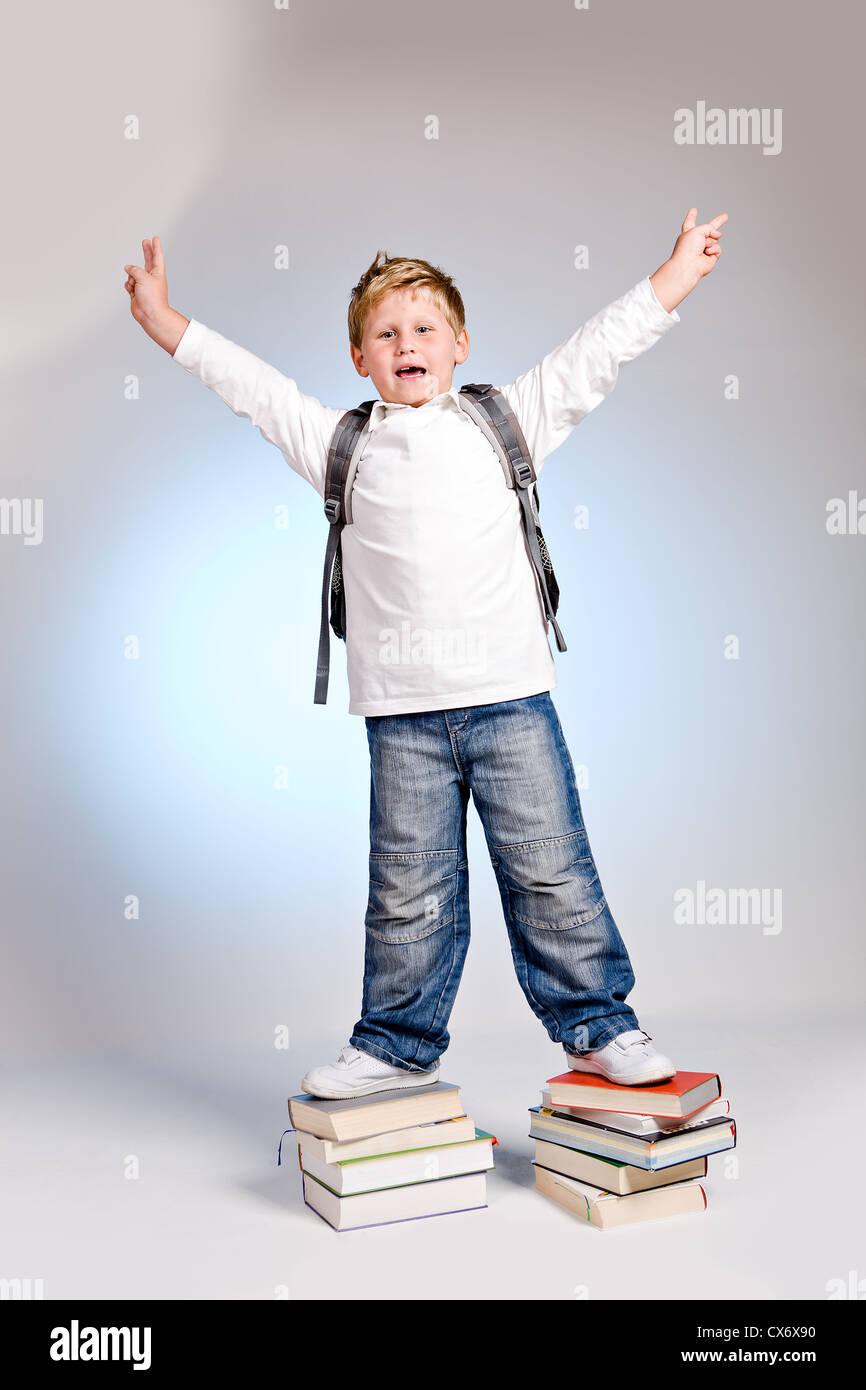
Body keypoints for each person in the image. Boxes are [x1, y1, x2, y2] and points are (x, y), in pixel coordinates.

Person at [123, 207, 727, 1100]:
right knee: (408, 894)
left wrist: (676, 274)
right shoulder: (339, 441)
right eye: (385, 333)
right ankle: (397, 1041)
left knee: (551, 869)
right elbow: (249, 385)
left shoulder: (507, 418)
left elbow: (598, 351)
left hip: (511, 700)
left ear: (461, 345)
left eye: (425, 329)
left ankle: (599, 1024)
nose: (407, 343)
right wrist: (166, 323)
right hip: (401, 718)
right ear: (360, 359)